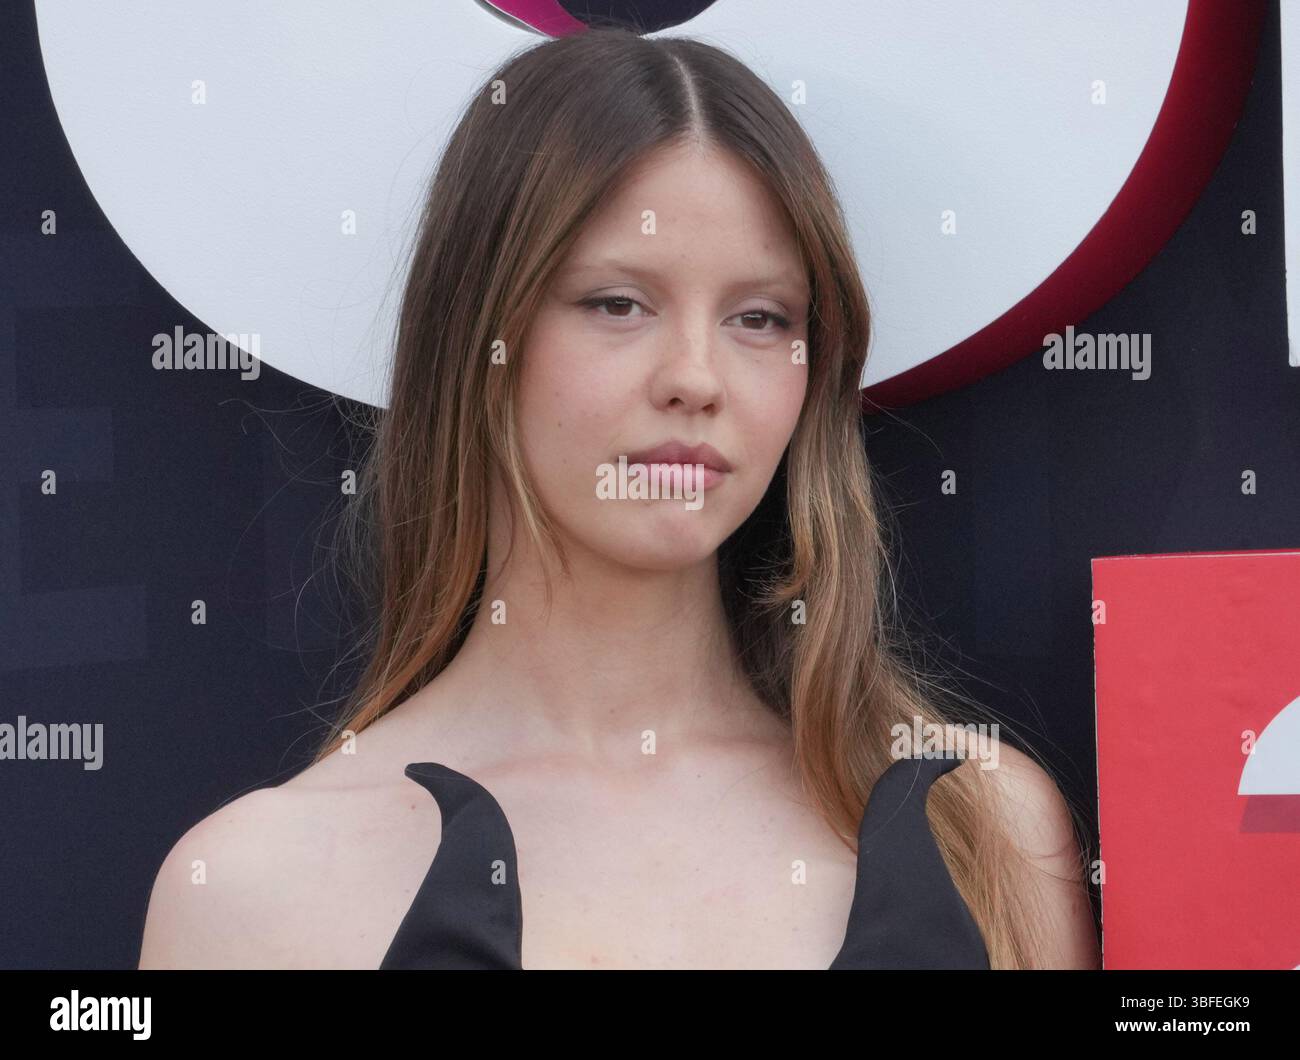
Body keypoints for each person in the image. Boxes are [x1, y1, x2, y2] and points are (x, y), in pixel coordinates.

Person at [139, 25, 1101, 970]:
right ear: (480, 338)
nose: (696, 376)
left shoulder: (983, 824)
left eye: (761, 319)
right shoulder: (252, 889)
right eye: (616, 304)